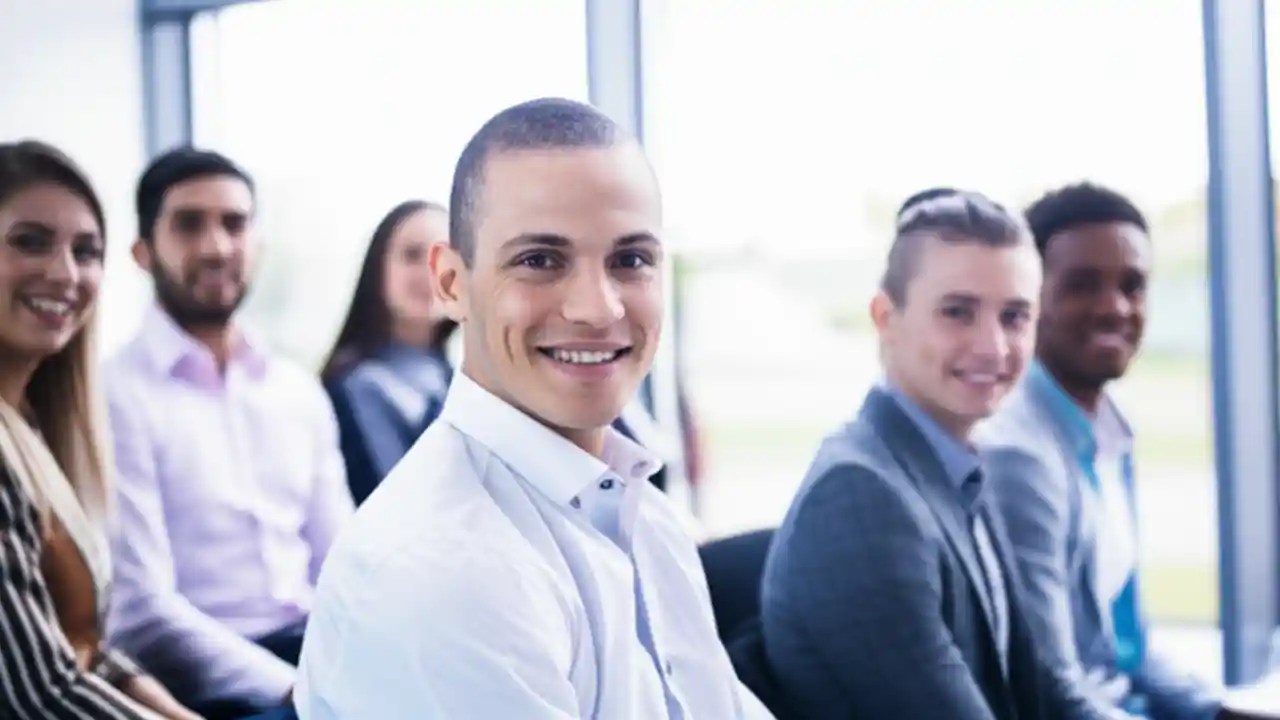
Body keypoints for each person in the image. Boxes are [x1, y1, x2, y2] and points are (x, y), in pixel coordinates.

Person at [294, 97, 773, 719]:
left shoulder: (641, 517)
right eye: (540, 260)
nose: (598, 309)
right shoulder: (444, 573)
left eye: (631, 259)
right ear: (451, 284)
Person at [761, 189, 1128, 719]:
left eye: (1015, 316)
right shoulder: (863, 496)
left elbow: (1045, 692)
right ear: (886, 317)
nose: (994, 347)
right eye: (958, 312)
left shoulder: (959, 466)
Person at [103, 148, 353, 717]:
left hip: (319, 652)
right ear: (142, 252)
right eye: (189, 225)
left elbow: (344, 561)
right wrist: (297, 690)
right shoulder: (114, 394)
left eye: (234, 224)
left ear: (256, 243)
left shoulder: (297, 391)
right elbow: (143, 611)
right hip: (208, 681)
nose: (217, 247)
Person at [978, 183, 1225, 719]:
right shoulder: (1017, 455)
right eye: (1082, 286)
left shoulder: (1110, 435)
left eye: (1132, 286)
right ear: (1028, 299)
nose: (1115, 307)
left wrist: (1220, 713)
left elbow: (1127, 650)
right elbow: (1053, 694)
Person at [0, 139, 196, 718]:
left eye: (86, 252)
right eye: (29, 242)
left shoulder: (31, 426)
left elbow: (87, 654)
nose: (65, 273)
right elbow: (42, 696)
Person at [321, 200, 457, 505]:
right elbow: (401, 506)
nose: (430, 272)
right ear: (377, 268)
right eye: (412, 255)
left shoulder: (460, 377)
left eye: (446, 258)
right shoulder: (358, 386)